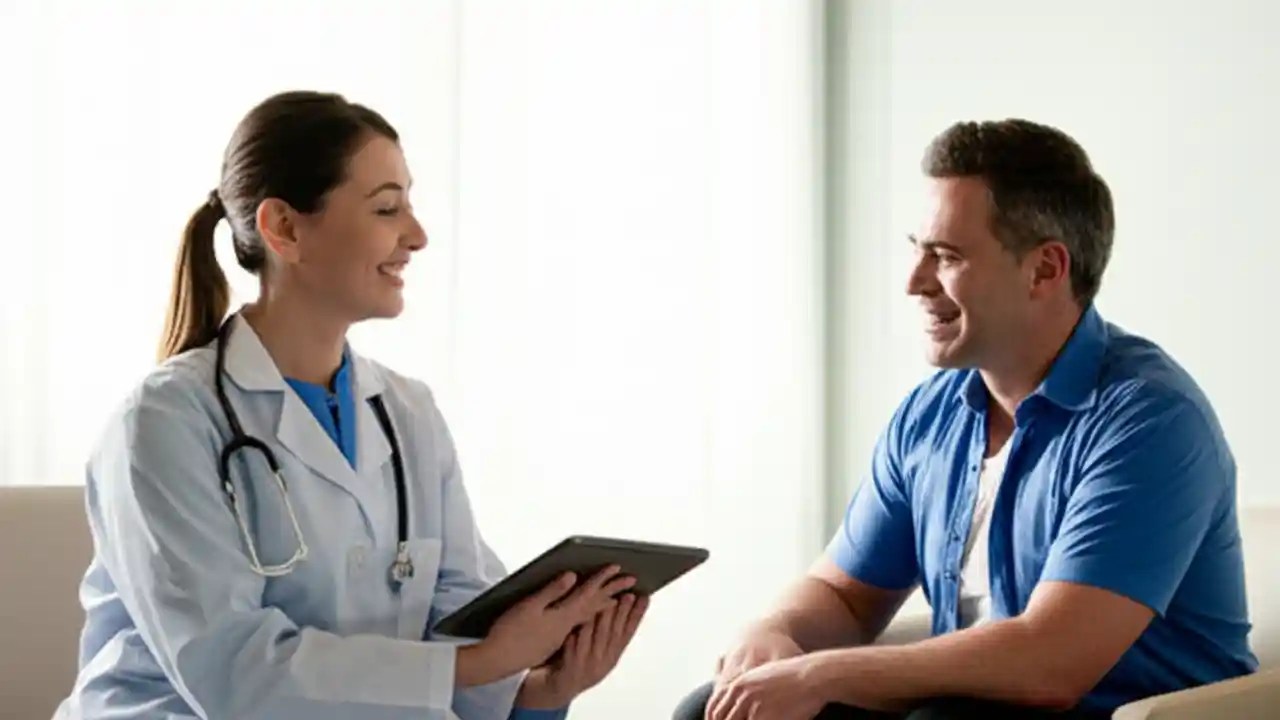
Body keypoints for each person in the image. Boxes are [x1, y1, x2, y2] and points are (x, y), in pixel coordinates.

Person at [56, 90, 647, 720]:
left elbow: (458, 609)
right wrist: (486, 662)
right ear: (285, 228)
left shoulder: (408, 413)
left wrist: (536, 691)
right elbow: (233, 675)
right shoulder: (164, 422)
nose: (416, 236)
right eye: (387, 208)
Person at [674, 119, 1257, 720]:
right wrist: (775, 632)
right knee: (711, 710)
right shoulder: (931, 416)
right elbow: (844, 596)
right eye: (918, 249)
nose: (915, 282)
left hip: (1120, 711)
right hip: (972, 709)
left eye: (947, 256)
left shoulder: (1150, 422)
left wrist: (820, 673)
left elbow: (1050, 663)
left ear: (1045, 270)